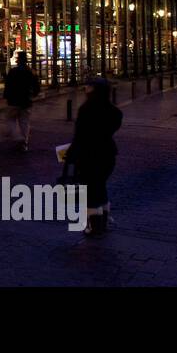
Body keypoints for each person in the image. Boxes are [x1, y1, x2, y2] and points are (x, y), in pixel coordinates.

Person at [69, 77, 122, 236]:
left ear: (94, 90)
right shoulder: (113, 111)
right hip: (108, 154)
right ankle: (103, 220)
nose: (85, 88)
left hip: (89, 155)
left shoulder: (86, 110)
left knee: (90, 191)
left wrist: (72, 153)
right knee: (100, 186)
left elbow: (80, 135)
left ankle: (94, 226)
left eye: (88, 86)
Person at [3, 51, 41, 152]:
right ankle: (24, 142)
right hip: (26, 101)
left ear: (18, 61)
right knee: (25, 122)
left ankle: (17, 137)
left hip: (13, 100)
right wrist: (33, 95)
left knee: (10, 119)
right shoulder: (31, 72)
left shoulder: (13, 71)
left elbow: (7, 85)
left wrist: (6, 96)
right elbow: (36, 87)